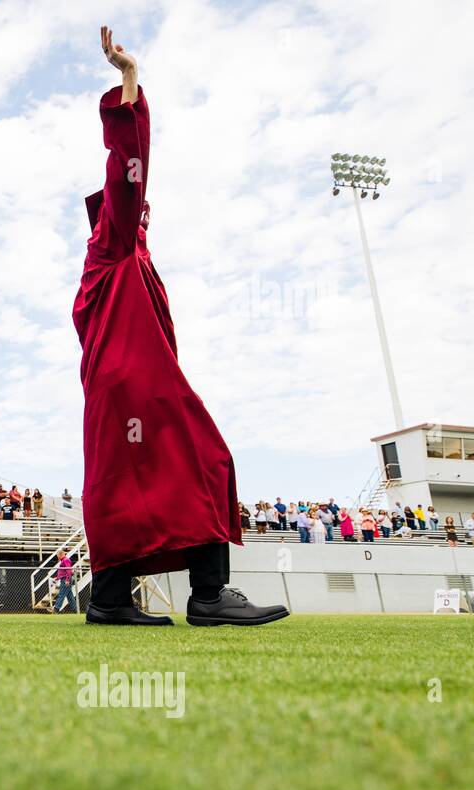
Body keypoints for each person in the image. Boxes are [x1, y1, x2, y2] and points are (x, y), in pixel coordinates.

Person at [71, 28, 286, 627]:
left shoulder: (115, 260)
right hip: (139, 385)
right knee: (207, 459)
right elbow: (126, 170)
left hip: (122, 389)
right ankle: (209, 594)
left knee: (124, 487)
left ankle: (109, 601)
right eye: (138, 206)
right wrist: (130, 83)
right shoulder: (114, 245)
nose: (146, 211)